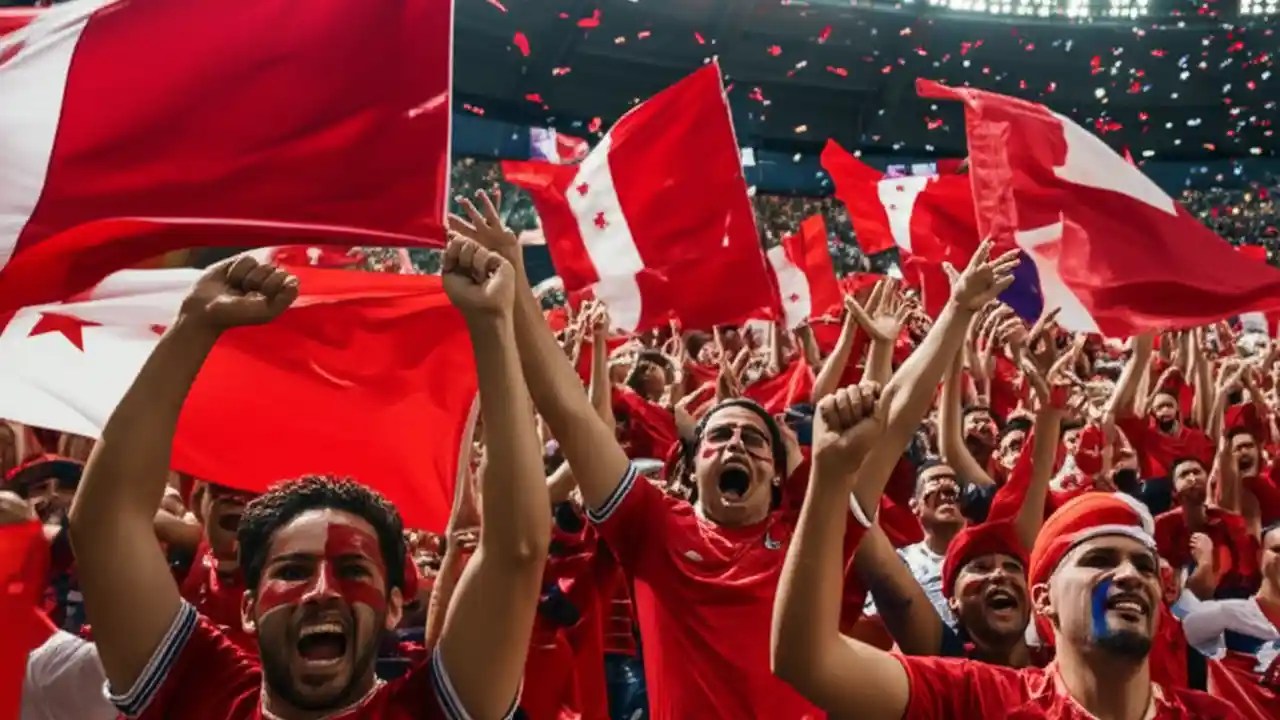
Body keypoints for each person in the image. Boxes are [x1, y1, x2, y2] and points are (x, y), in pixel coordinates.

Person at [68, 240, 549, 720]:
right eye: (292, 571)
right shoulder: (202, 693)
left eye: (355, 571)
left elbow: (517, 550)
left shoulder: (428, 711)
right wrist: (194, 326)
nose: (322, 591)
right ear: (249, 609)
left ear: (394, 607)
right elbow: (104, 527)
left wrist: (493, 328)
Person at [774, 466, 1242, 719]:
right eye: (1099, 561)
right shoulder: (979, 699)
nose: (1129, 575)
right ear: (1043, 601)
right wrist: (831, 474)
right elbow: (807, 660)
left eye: (1143, 564)